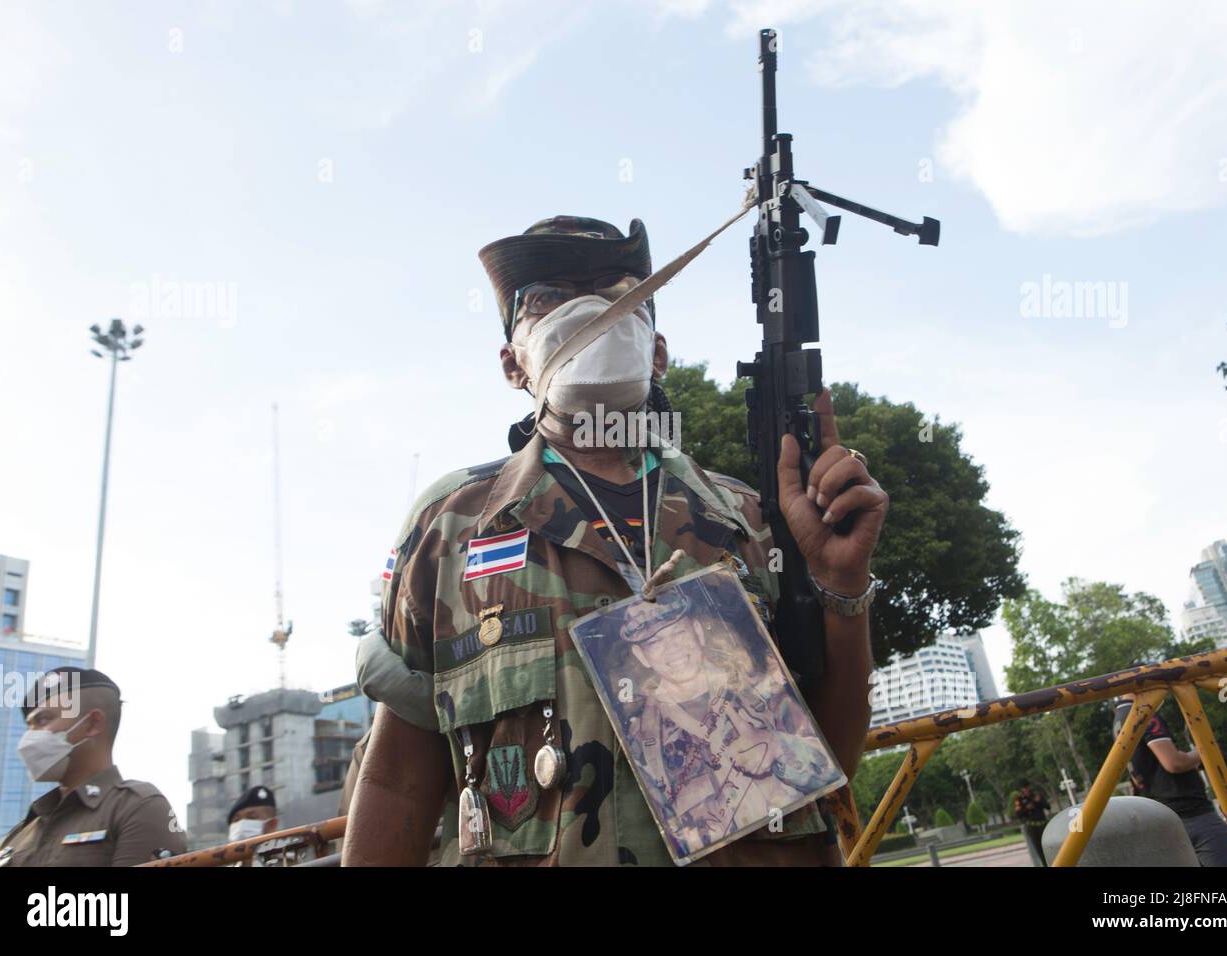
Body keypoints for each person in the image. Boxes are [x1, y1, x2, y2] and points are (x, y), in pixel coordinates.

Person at [344, 215, 887, 867]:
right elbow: (396, 782)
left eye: (622, 287)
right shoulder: (448, 527)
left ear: (658, 351)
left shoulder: (749, 517)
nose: (590, 307)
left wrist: (843, 590)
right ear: (511, 363)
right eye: (547, 296)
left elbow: (826, 763)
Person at [620, 587, 837, 858]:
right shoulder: (641, 735)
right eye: (655, 642)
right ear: (642, 656)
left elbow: (832, 770)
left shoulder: (761, 687)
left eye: (679, 632)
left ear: (698, 632)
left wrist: (779, 746)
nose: (673, 648)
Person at [0, 666, 187, 867]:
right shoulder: (20, 833)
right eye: (29, 726)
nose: (28, 738)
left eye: (43, 720)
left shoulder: (137, 807)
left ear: (93, 724)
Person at [1112, 690, 1227, 866]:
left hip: (1159, 813)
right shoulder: (1143, 711)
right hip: (1189, 809)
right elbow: (1173, 763)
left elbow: (1137, 775)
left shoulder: (1118, 718)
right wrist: (1205, 750)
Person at [1012, 779, 1050, 866]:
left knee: (1048, 846)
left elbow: (1048, 807)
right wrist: (1027, 808)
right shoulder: (1020, 800)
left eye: (1026, 787)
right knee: (1039, 849)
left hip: (1043, 824)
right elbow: (1018, 815)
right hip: (1032, 827)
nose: (1026, 790)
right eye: (1023, 788)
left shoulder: (1036, 795)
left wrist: (1038, 801)